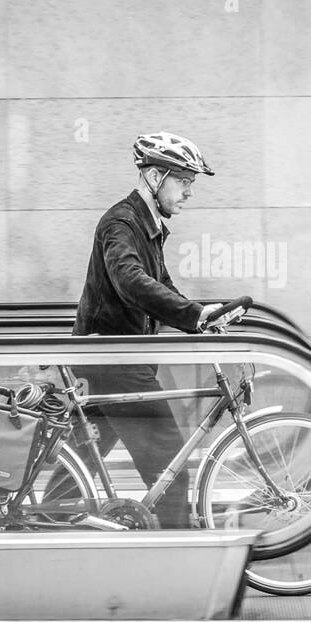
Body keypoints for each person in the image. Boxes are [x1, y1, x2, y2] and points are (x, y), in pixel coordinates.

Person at [70, 132, 221, 528]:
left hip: (106, 362)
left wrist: (202, 316)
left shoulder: (147, 226)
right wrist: (194, 316)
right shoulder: (121, 223)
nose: (189, 192)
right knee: (171, 471)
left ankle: (46, 538)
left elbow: (163, 286)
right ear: (155, 177)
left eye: (191, 183)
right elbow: (131, 281)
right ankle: (173, 570)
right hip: (114, 363)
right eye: (183, 181)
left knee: (73, 474)